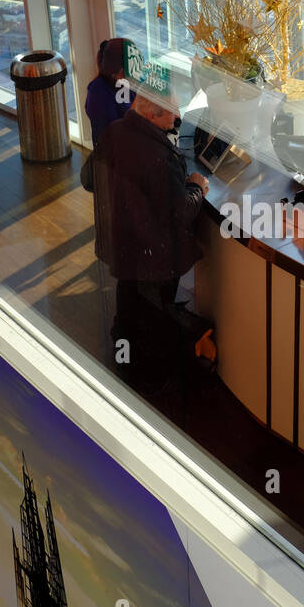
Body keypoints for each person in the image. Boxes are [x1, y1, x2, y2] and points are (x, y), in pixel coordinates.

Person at [92, 80, 209, 395]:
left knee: (128, 297)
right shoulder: (159, 155)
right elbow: (181, 211)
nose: (177, 117)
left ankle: (123, 353)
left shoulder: (114, 131)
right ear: (154, 115)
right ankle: (148, 375)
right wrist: (197, 186)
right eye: (172, 112)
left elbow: (89, 179)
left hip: (122, 243)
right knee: (153, 311)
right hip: (153, 253)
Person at [85, 37, 145, 146]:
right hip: (114, 155)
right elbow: (115, 136)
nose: (137, 77)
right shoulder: (98, 94)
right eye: (133, 72)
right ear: (119, 73)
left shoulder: (125, 83)